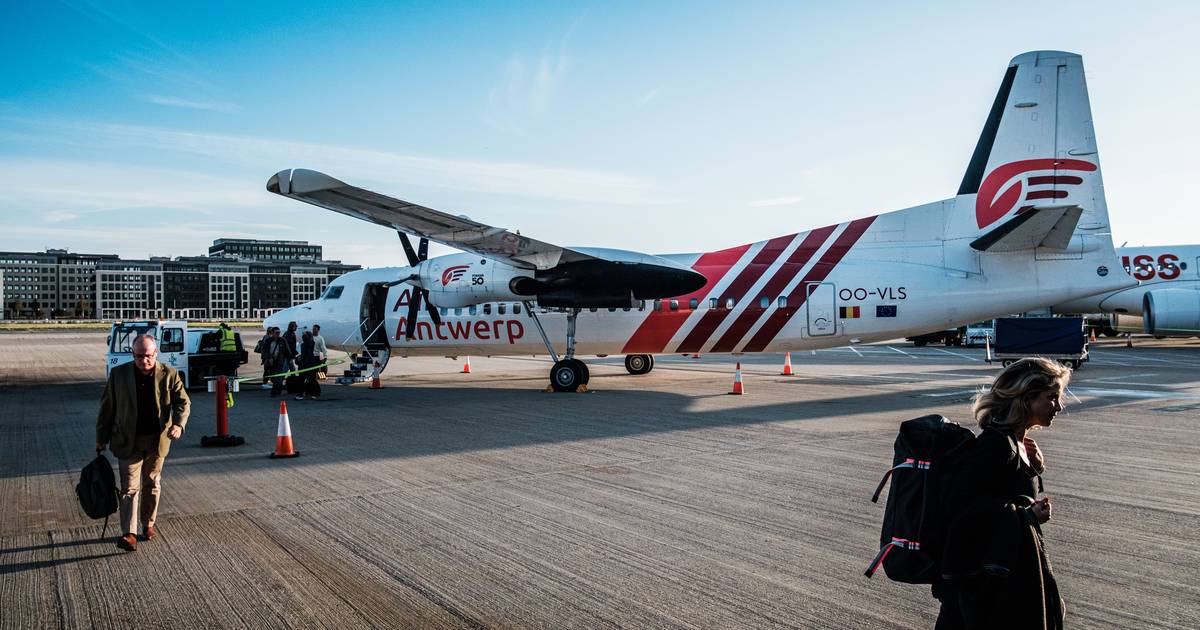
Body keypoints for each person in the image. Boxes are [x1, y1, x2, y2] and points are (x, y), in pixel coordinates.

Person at [933, 357, 1069, 630]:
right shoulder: (994, 447)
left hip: (1004, 582)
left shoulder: (1014, 445)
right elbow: (960, 512)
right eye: (1051, 398)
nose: (1058, 406)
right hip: (987, 594)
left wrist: (1031, 470)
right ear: (1026, 399)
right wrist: (1026, 515)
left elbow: (1000, 492)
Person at [95, 334, 190, 552]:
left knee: (152, 483)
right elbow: (106, 408)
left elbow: (183, 402)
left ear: (155, 353)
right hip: (127, 440)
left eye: (147, 356)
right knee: (129, 487)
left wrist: (178, 425)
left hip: (157, 440)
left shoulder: (169, 374)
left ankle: (148, 524)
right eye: (138, 356)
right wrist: (101, 438)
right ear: (133, 354)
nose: (143, 360)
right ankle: (129, 534)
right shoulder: (119, 375)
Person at [262, 327, 290, 397]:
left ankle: (275, 392)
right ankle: (277, 389)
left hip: (280, 362)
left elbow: (287, 350)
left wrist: (289, 359)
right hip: (271, 362)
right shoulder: (268, 341)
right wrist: (269, 357)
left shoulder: (282, 340)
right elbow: (264, 351)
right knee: (273, 377)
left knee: (278, 377)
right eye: (276, 333)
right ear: (272, 333)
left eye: (279, 333)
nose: (278, 334)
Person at [296, 331, 321, 400]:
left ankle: (300, 394)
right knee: (312, 380)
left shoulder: (304, 345)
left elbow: (304, 356)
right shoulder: (313, 344)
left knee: (302, 381)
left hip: (305, 366)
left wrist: (299, 359)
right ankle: (313, 394)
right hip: (311, 365)